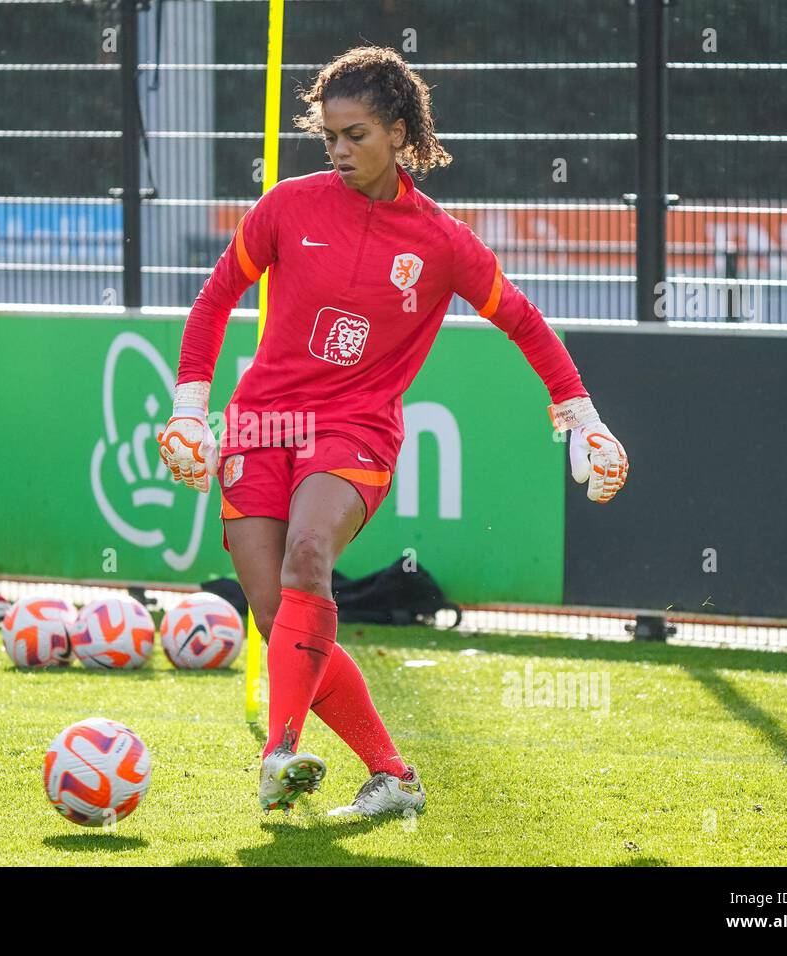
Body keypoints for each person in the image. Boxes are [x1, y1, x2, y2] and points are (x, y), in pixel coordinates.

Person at [157, 46, 629, 818]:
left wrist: (581, 417)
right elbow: (214, 302)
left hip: (354, 428)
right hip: (259, 423)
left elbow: (522, 320)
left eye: (357, 136)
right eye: (330, 137)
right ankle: (393, 774)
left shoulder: (442, 242)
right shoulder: (285, 206)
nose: (340, 152)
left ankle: (278, 753)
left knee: (310, 557)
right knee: (278, 619)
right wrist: (188, 407)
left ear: (401, 134)